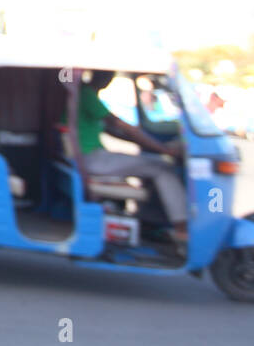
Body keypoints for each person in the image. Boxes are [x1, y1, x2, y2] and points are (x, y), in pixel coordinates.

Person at [73, 70, 188, 244]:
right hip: (91, 159)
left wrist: (153, 147)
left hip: (89, 156)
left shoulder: (82, 94)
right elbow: (122, 126)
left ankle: (150, 219)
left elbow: (113, 130)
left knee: (152, 165)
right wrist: (165, 150)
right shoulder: (87, 94)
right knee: (163, 169)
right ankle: (182, 229)